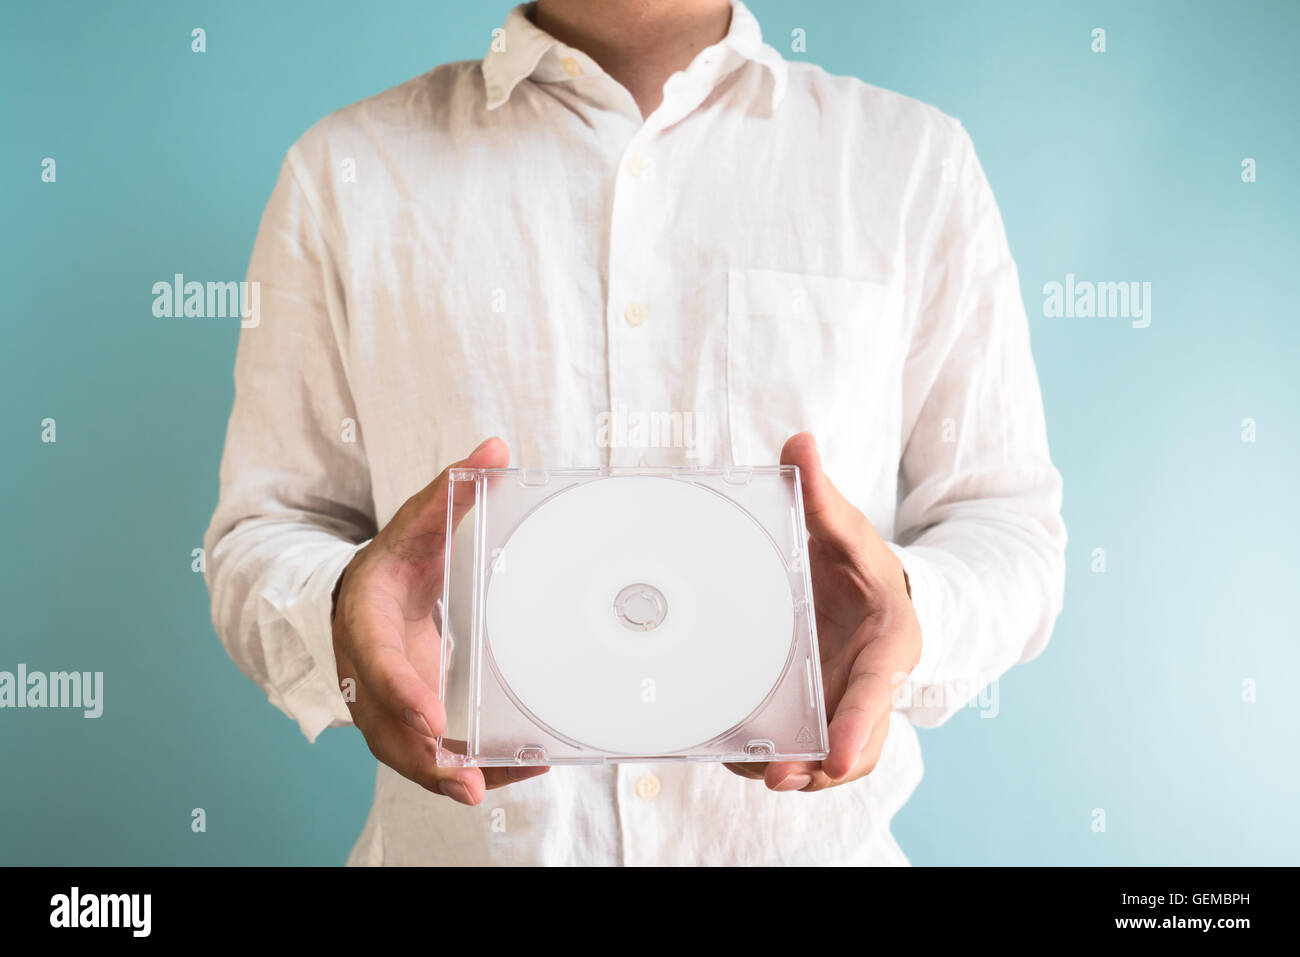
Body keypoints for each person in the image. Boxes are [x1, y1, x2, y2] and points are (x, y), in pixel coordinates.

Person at [204, 0, 1066, 866]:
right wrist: (346, 612)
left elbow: (1009, 529)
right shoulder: (347, 171)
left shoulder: (912, 164)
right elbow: (262, 532)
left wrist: (908, 610)